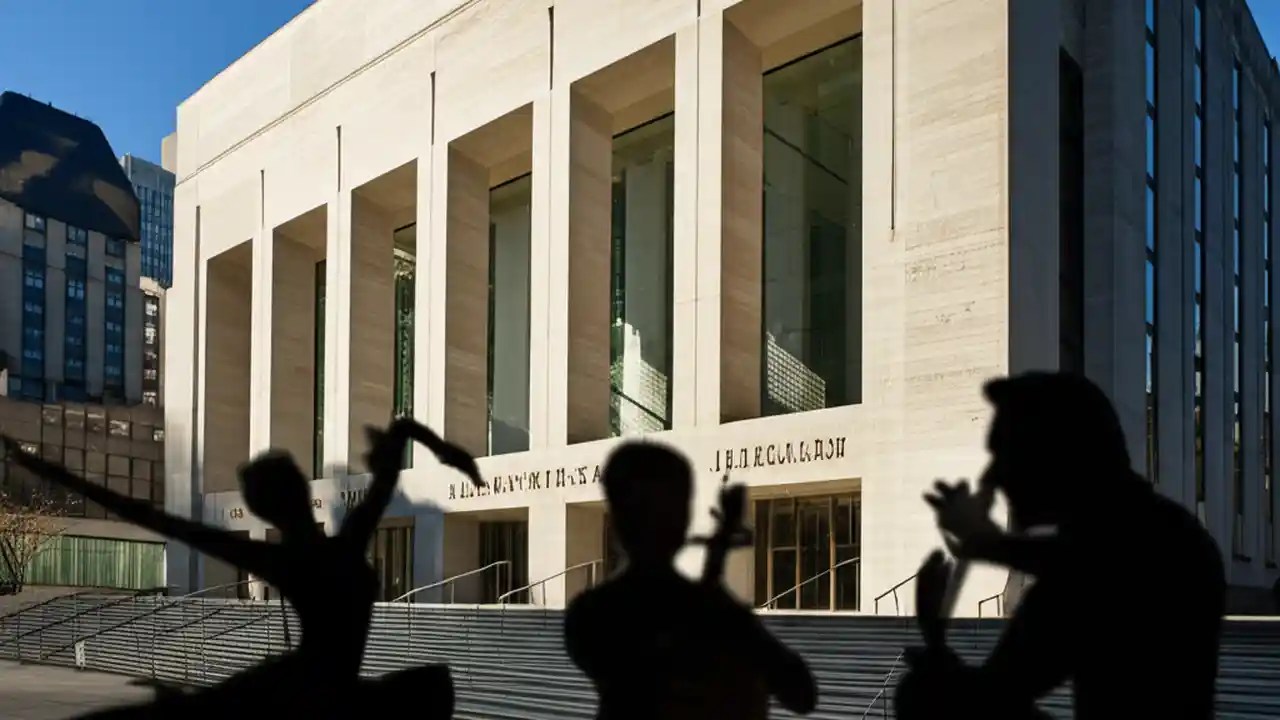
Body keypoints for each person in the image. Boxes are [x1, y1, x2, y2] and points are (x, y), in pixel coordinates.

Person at [3, 418, 482, 719]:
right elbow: (400, 435)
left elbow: (145, 514)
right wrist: (447, 452)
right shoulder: (347, 541)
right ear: (298, 491)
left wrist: (45, 469)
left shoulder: (288, 559)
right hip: (316, 688)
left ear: (265, 510)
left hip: (307, 690)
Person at [896, 372, 1225, 718]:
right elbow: (1091, 559)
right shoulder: (1167, 534)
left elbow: (1093, 566)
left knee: (920, 694)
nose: (991, 476)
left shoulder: (1113, 562)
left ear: (1054, 456)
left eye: (1006, 454)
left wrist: (984, 548)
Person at [564, 442, 816, 719]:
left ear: (615, 520)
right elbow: (800, 693)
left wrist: (713, 574)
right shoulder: (715, 613)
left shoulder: (588, 613)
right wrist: (715, 578)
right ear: (684, 519)